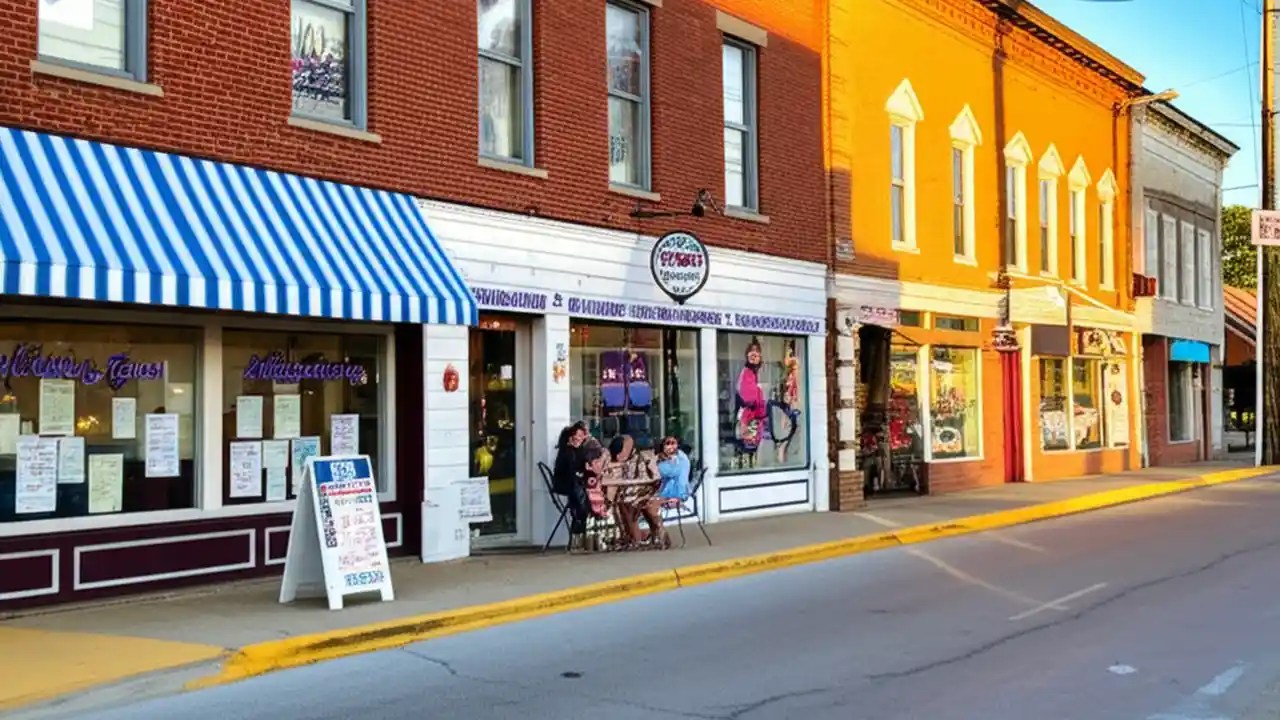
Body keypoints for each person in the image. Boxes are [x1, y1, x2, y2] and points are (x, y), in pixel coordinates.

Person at [606, 434, 663, 548]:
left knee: (627, 503)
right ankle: (631, 535)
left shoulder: (643, 457)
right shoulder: (625, 460)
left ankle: (634, 537)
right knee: (620, 502)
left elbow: (652, 478)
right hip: (635, 490)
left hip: (648, 490)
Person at [552, 422, 591, 546]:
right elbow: (570, 472)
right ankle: (581, 521)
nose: (579, 439)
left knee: (582, 491)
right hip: (565, 484)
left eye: (581, 436)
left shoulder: (578, 451)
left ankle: (580, 521)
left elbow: (582, 467)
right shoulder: (567, 452)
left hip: (573, 484)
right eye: (576, 436)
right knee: (580, 494)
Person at [655, 435, 692, 508]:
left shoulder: (678, 458)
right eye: (668, 444)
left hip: (676, 493)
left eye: (672, 443)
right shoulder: (679, 455)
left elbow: (665, 472)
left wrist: (657, 463)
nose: (670, 446)